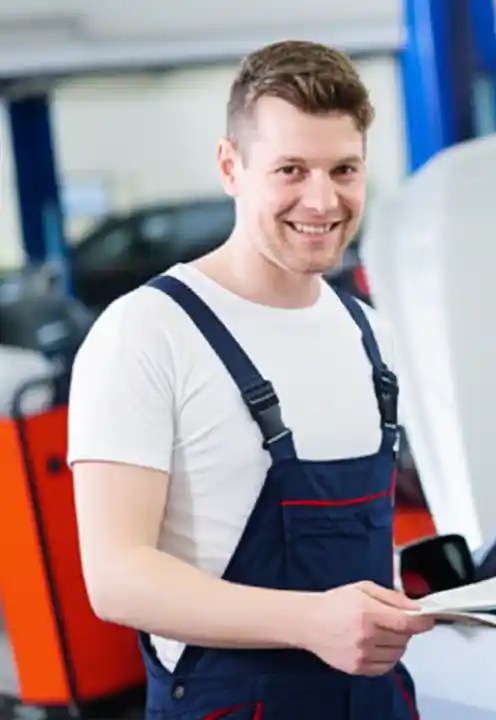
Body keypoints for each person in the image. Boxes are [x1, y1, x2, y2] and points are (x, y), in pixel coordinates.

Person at [66, 40, 432, 718]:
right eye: (291, 169)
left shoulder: (367, 331)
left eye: (343, 169)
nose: (321, 200)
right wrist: (311, 622)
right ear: (231, 167)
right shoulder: (146, 333)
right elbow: (115, 578)